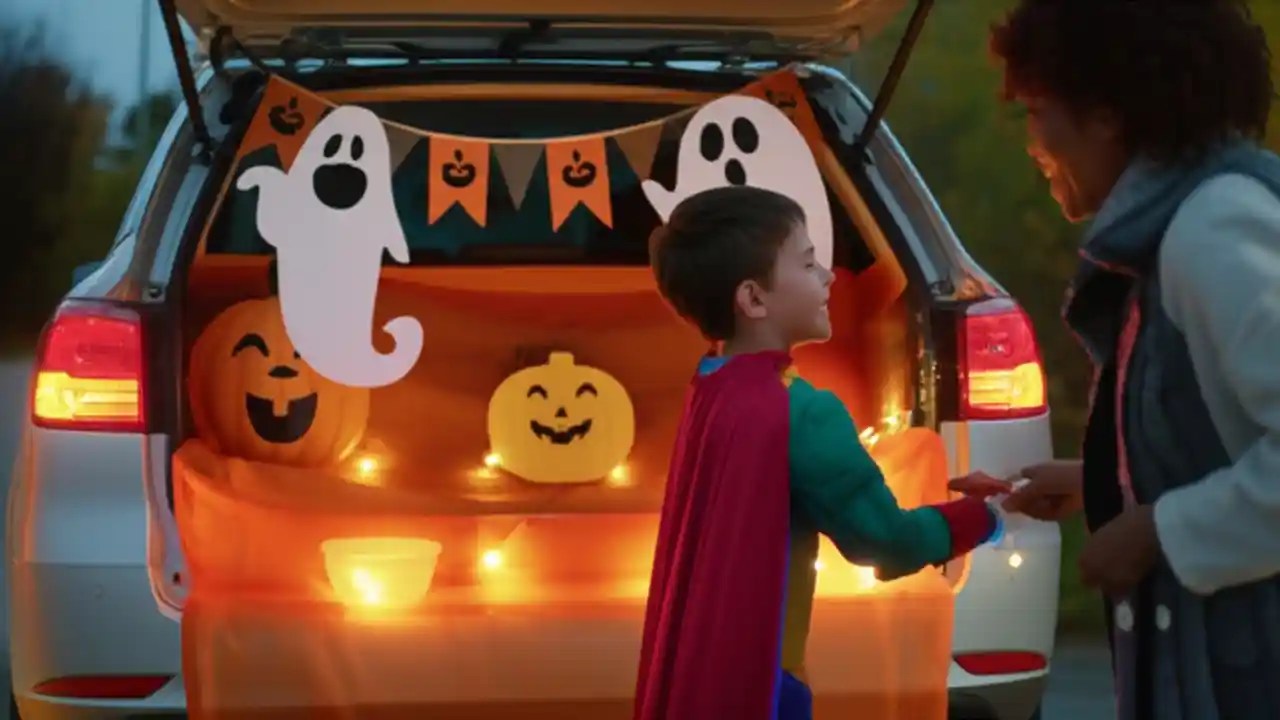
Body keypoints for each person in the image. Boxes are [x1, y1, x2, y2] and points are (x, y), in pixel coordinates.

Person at [950, 1, 1280, 718]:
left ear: (1105, 114)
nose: (1032, 143)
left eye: (1037, 113)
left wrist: (1160, 531)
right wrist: (1102, 484)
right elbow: (1229, 437)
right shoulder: (1178, 227)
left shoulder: (1214, 226)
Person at [633, 185, 1002, 720]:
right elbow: (884, 541)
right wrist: (982, 517)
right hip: (762, 685)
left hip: (701, 673)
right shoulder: (803, 412)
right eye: (808, 264)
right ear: (753, 299)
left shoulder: (711, 387)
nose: (828, 276)